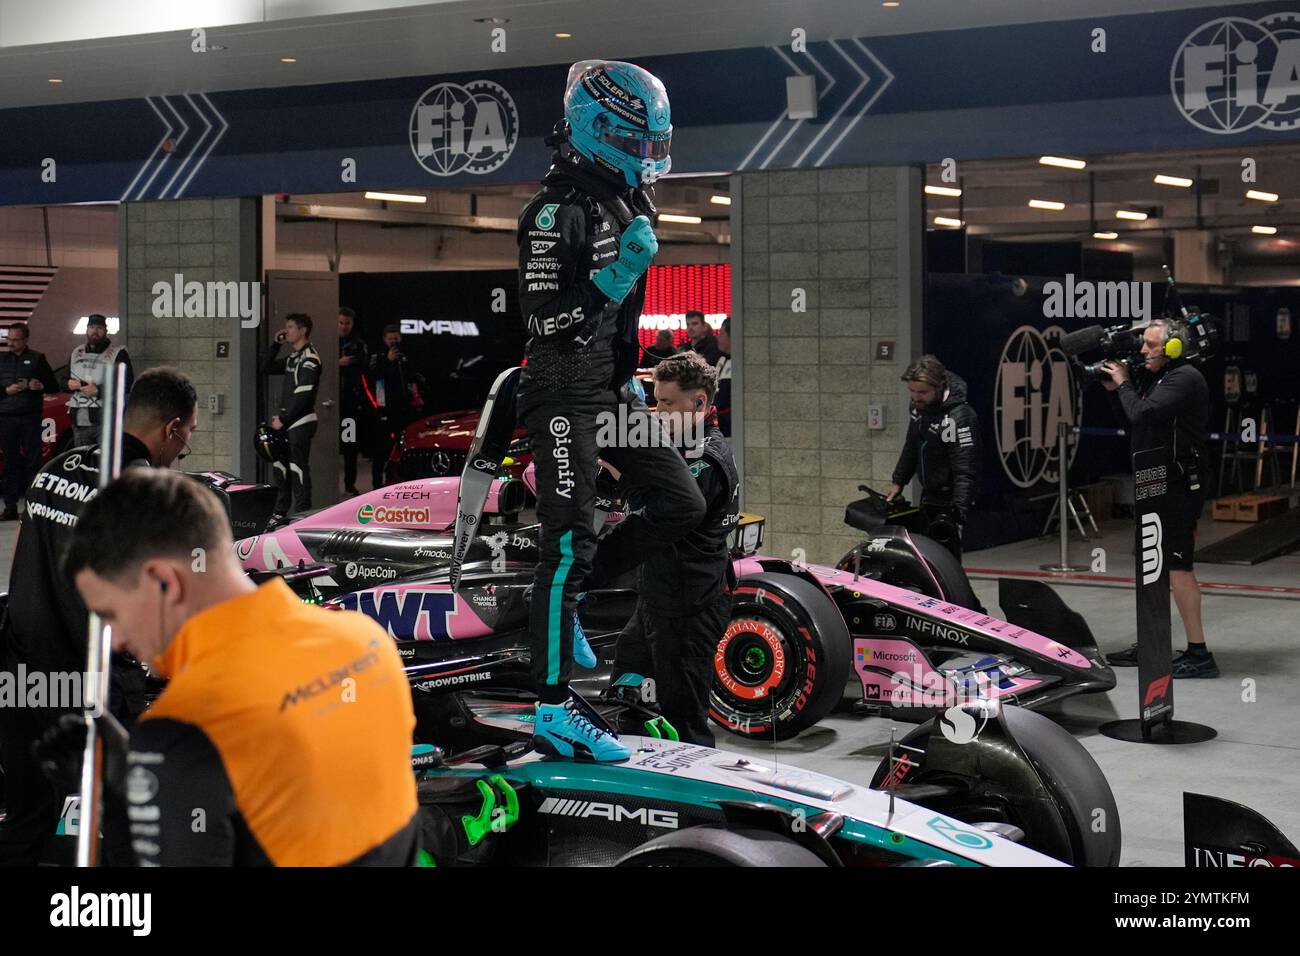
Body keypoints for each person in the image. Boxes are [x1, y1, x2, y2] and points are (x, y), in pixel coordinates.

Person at [40, 469, 419, 865]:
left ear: (163, 582)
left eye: (109, 613)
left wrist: (132, 792)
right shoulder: (365, 640)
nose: (113, 639)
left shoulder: (188, 725)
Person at [517, 59, 705, 762]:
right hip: (563, 391)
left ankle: (566, 608)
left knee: (682, 502)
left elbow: (614, 331)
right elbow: (546, 326)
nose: (651, 158)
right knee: (567, 542)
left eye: (657, 144)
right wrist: (613, 278)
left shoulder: (627, 202)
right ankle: (551, 704)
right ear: (602, 133)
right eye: (640, 143)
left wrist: (630, 374)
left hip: (612, 390)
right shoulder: (552, 212)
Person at [0, 368, 197, 866]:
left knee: (26, 820)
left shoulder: (55, 468)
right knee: (130, 819)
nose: (184, 449)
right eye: (188, 434)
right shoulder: (147, 492)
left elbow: (26, 558)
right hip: (92, 684)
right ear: (172, 427)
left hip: (20, 675)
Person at [609, 351, 738, 745]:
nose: (656, 410)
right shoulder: (675, 447)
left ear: (699, 402)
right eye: (654, 399)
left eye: (666, 402)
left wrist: (621, 471)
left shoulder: (707, 460)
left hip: (689, 609)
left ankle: (698, 802)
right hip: (654, 601)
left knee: (684, 722)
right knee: (629, 704)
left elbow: (664, 512)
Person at [1101, 318, 1215, 678]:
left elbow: (1143, 412)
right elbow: (1136, 419)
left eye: (1151, 345)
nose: (1143, 351)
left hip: (1179, 484)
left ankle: (1199, 654)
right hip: (1156, 480)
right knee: (1152, 565)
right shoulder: (1158, 377)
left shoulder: (1185, 378)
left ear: (1174, 348)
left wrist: (1124, 384)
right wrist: (1118, 387)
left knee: (1178, 567)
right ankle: (1153, 641)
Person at [885, 355, 980, 560]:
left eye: (922, 392)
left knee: (948, 562)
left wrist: (959, 515)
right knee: (927, 559)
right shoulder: (919, 409)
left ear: (939, 387)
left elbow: (966, 468)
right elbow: (911, 445)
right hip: (929, 496)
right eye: (912, 391)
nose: (916, 397)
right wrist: (898, 481)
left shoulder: (960, 416)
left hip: (953, 501)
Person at [261, 313, 320, 519]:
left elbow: (303, 395)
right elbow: (265, 368)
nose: (286, 331)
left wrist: (283, 419)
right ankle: (280, 512)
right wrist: (275, 345)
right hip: (286, 423)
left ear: (303, 330)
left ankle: (303, 513)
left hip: (301, 421)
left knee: (297, 466)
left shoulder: (310, 358)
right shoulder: (293, 358)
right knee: (280, 466)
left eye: (290, 327)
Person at [0, 323, 59, 521]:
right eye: (9, 339)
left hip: (30, 418)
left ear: (25, 340)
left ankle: (32, 505)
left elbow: (53, 385)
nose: (11, 343)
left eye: (15, 339)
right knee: (9, 463)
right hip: (6, 417)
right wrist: (5, 391)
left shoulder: (37, 358)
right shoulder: (1, 359)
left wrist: (39, 385)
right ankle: (9, 507)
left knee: (33, 462)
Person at [67, 313, 133, 447]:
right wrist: (67, 383)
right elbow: (62, 379)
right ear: (87, 330)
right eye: (91, 327)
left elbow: (126, 384)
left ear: (106, 331)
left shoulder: (118, 353)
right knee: (83, 462)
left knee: (105, 463)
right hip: (80, 420)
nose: (95, 331)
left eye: (99, 328)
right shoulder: (76, 352)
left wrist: (98, 390)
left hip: (106, 421)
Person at [367, 324, 419, 491]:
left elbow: (411, 377)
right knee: (380, 449)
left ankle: (402, 482)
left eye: (396, 338)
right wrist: (388, 361)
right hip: (384, 408)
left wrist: (416, 395)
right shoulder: (378, 356)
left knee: (404, 446)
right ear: (384, 340)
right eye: (390, 339)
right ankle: (376, 484)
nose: (393, 342)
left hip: (404, 407)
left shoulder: (404, 356)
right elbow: (373, 375)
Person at [338, 307, 369, 496]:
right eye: (341, 322)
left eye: (347, 323)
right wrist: (338, 362)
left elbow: (364, 365)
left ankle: (350, 484)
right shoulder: (326, 341)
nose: (343, 326)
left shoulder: (358, 344)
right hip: (329, 402)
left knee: (350, 446)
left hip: (350, 404)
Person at [714, 316, 732, 437]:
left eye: (721, 333)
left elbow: (722, 400)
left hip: (728, 428)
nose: (718, 337)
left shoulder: (738, 365)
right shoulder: (722, 359)